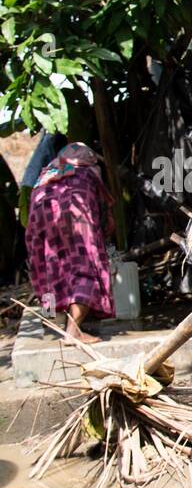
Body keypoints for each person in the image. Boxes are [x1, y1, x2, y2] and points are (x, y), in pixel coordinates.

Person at [24, 141, 116, 344]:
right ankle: (73, 332)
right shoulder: (88, 172)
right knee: (86, 268)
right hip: (75, 219)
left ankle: (49, 321)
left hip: (39, 219)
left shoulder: (46, 174)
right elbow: (103, 213)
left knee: (47, 269)